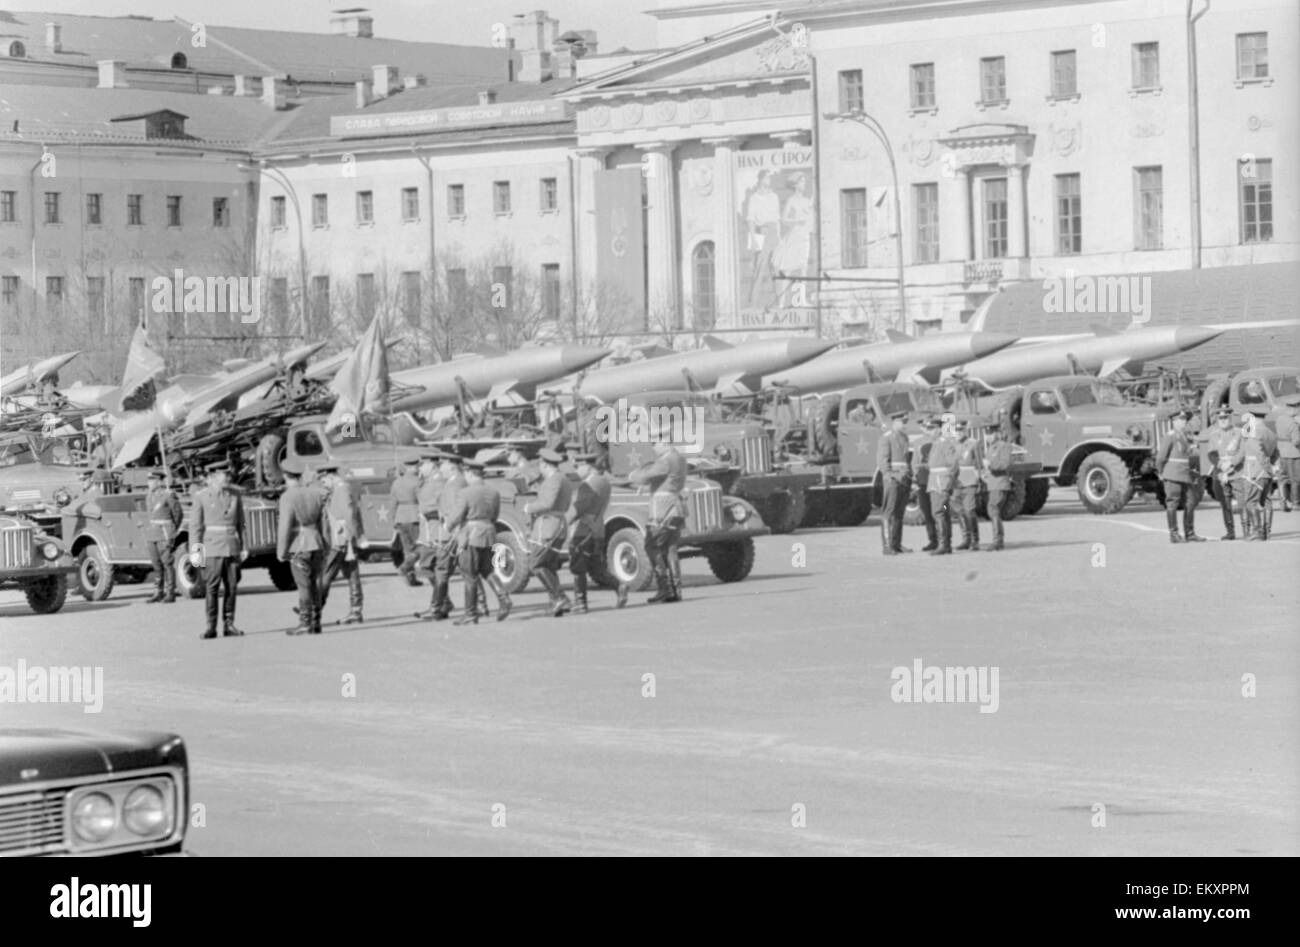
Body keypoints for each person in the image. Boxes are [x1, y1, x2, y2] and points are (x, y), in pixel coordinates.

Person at [447, 458, 512, 625]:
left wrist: (448, 526)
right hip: (489, 532)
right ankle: (503, 598)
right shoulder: (494, 493)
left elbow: (456, 516)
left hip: (471, 535)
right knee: (487, 570)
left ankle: (470, 613)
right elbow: (495, 516)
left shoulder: (465, 493)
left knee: (469, 575)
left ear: (469, 473)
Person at [190, 459, 246, 639]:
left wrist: (244, 546)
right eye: (223, 474)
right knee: (212, 588)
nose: (227, 477)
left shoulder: (235, 495)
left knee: (232, 587)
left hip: (231, 547)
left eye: (227, 474)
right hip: (212, 548)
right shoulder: (202, 497)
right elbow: (196, 527)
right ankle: (211, 626)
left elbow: (241, 524)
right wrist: (196, 554)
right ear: (213, 477)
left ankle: (229, 624)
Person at [629, 436, 687, 603]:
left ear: (665, 442)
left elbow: (645, 477)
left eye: (655, 443)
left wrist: (632, 475)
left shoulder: (665, 460)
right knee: (670, 549)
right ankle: (675, 590)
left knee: (652, 545)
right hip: (675, 506)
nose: (653, 447)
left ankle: (665, 589)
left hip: (663, 508)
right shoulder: (680, 458)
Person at [568, 451, 627, 613]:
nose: (576, 470)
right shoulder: (604, 482)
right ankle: (619, 586)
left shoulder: (588, 485)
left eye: (577, 466)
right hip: (598, 528)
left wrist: (563, 522)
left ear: (587, 467)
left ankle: (580, 602)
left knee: (578, 566)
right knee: (596, 568)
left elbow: (577, 508)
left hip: (584, 530)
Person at [277, 458, 327, 636]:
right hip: (316, 541)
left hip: (299, 544)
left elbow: (284, 527)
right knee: (313, 583)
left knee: (304, 586)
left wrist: (281, 552)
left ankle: (305, 623)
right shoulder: (315, 493)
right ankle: (316, 622)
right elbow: (323, 521)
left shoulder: (287, 496)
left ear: (285, 476)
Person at [524, 448, 575, 616]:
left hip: (548, 526)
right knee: (548, 565)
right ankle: (556, 602)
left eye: (540, 464)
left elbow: (547, 503)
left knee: (535, 564)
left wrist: (529, 508)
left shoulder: (554, 480)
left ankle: (559, 598)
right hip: (557, 523)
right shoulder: (564, 479)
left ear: (544, 464)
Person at [317, 462, 364, 625]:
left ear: (329, 476)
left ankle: (313, 609)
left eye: (324, 481)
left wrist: (356, 535)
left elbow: (349, 514)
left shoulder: (341, 489)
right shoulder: (339, 488)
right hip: (344, 539)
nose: (324, 485)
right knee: (352, 574)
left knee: (326, 573)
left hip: (341, 540)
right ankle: (356, 611)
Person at [1155, 409, 1205, 543]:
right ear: (1174, 421)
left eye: (1184, 420)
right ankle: (1174, 534)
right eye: (1180, 420)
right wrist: (1160, 472)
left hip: (1186, 474)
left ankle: (1190, 533)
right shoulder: (1170, 436)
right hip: (1173, 474)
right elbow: (1161, 457)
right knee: (1173, 503)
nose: (1183, 422)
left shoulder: (1186, 436)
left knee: (1190, 502)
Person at [411, 451, 447, 620]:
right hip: (428, 532)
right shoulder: (428, 481)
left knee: (427, 567)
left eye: (423, 464)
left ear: (432, 466)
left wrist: (428, 513)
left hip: (435, 531)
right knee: (429, 568)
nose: (420, 467)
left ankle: (440, 604)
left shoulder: (438, 482)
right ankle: (441, 603)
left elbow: (441, 507)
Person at [142, 469, 183, 603]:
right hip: (152, 533)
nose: (149, 483)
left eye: (152, 480)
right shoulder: (149, 496)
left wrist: (172, 530)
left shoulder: (168, 495)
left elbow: (178, 514)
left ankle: (170, 592)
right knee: (156, 565)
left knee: (167, 563)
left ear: (159, 482)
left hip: (164, 533)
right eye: (149, 480)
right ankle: (158, 592)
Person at [876, 410, 912, 555]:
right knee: (888, 512)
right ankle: (887, 545)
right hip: (893, 478)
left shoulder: (904, 438)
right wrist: (888, 475)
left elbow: (907, 459)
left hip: (904, 478)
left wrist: (909, 475)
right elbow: (882, 460)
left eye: (905, 422)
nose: (904, 425)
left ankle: (896, 543)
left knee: (899, 512)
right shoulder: (886, 438)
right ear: (894, 422)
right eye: (902, 422)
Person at [927, 415, 960, 556]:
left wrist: (947, 483)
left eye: (932, 428)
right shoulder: (936, 443)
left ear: (940, 429)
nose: (930, 431)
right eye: (929, 428)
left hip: (941, 484)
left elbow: (953, 464)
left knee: (939, 512)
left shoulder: (944, 443)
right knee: (943, 513)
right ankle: (946, 544)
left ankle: (943, 544)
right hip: (935, 483)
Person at [1205, 406, 1239, 540]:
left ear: (1230, 418)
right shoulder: (1214, 435)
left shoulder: (1238, 432)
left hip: (1236, 470)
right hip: (1220, 472)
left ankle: (1249, 529)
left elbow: (1242, 451)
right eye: (1220, 418)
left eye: (1225, 417)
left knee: (1243, 501)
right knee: (1225, 502)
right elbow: (1212, 455)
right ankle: (1230, 531)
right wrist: (1221, 465)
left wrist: (1231, 465)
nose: (1223, 420)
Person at [389, 456, 423, 586]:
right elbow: (422, 500)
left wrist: (393, 520)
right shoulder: (418, 481)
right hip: (414, 516)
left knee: (407, 549)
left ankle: (411, 578)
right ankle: (405, 567)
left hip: (400, 516)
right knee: (420, 547)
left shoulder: (396, 482)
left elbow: (392, 503)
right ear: (415, 467)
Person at [981, 426, 1013, 551]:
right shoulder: (990, 448)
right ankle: (997, 540)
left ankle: (998, 540)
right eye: (987, 434)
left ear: (997, 434)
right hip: (992, 483)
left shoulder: (1003, 446)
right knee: (993, 510)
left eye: (991, 434)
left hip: (1000, 483)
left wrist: (990, 465)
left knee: (993, 509)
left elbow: (1005, 464)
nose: (988, 437)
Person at [912, 416, 941, 552]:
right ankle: (933, 539)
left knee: (942, 509)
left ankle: (944, 538)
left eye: (929, 427)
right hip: (923, 480)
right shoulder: (918, 442)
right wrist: (915, 478)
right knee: (927, 511)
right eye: (924, 426)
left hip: (938, 480)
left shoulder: (941, 441)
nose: (926, 429)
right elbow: (914, 462)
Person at [953, 419, 982, 551]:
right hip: (956, 481)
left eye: (960, 430)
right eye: (956, 430)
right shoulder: (952, 444)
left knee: (970, 510)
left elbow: (979, 464)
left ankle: (975, 539)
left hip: (970, 480)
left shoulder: (973, 444)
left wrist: (980, 480)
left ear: (965, 430)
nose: (958, 432)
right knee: (958, 510)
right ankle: (966, 538)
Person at [1274, 404, 1300, 512]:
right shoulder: (1293, 424)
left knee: (1283, 479)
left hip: (1282, 452)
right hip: (1293, 454)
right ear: (1293, 409)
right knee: (1295, 480)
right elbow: (1296, 441)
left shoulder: (1279, 419)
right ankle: (1295, 503)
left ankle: (1282, 502)